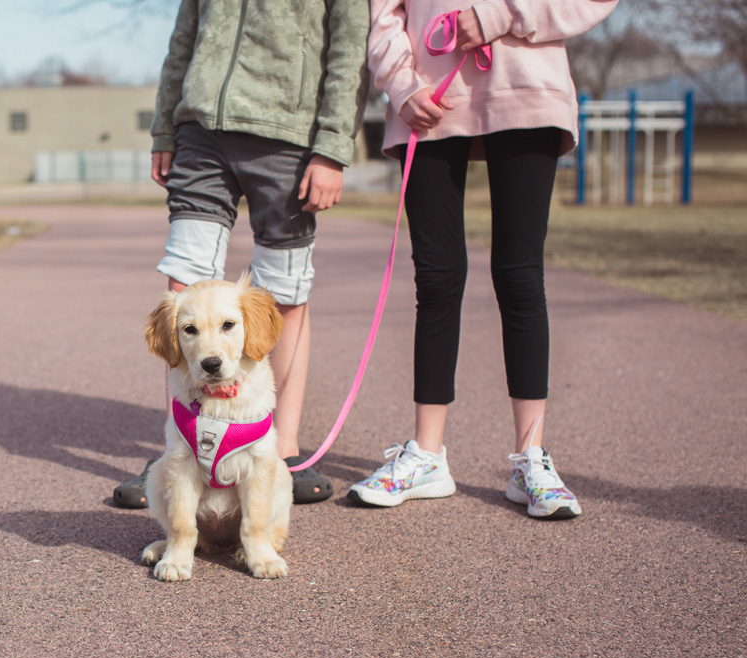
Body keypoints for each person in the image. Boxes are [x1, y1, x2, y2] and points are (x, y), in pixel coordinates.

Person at [350, 0, 618, 518]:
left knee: (519, 273)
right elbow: (383, 14)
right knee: (436, 275)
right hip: (428, 96)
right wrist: (401, 84)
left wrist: (498, 14)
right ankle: (427, 455)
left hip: (526, 86)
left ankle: (531, 459)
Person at [112, 0, 372, 509]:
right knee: (184, 288)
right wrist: (166, 127)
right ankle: (183, 446)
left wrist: (333, 145)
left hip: (290, 135)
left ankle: (284, 450)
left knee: (284, 296)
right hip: (202, 132)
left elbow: (348, 45)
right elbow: (183, 37)